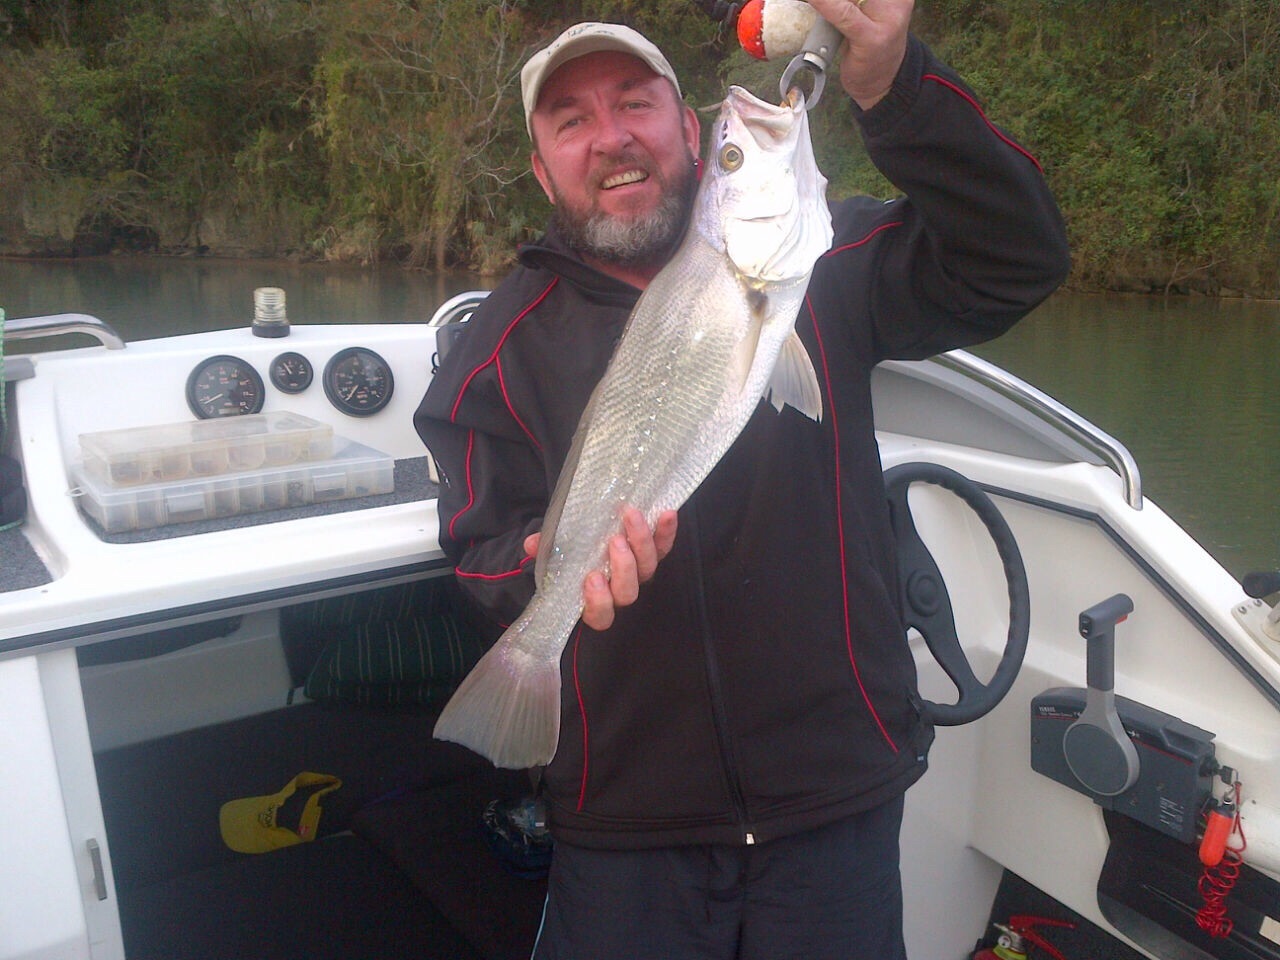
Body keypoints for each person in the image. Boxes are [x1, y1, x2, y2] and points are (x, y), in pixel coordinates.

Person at [415, 2, 1070, 957]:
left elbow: (1018, 258)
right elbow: (477, 555)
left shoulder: (830, 265)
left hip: (833, 804)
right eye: (572, 121)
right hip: (627, 830)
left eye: (636, 104)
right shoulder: (495, 354)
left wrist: (894, 87)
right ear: (542, 166)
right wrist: (547, 583)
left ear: (686, 128)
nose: (611, 138)